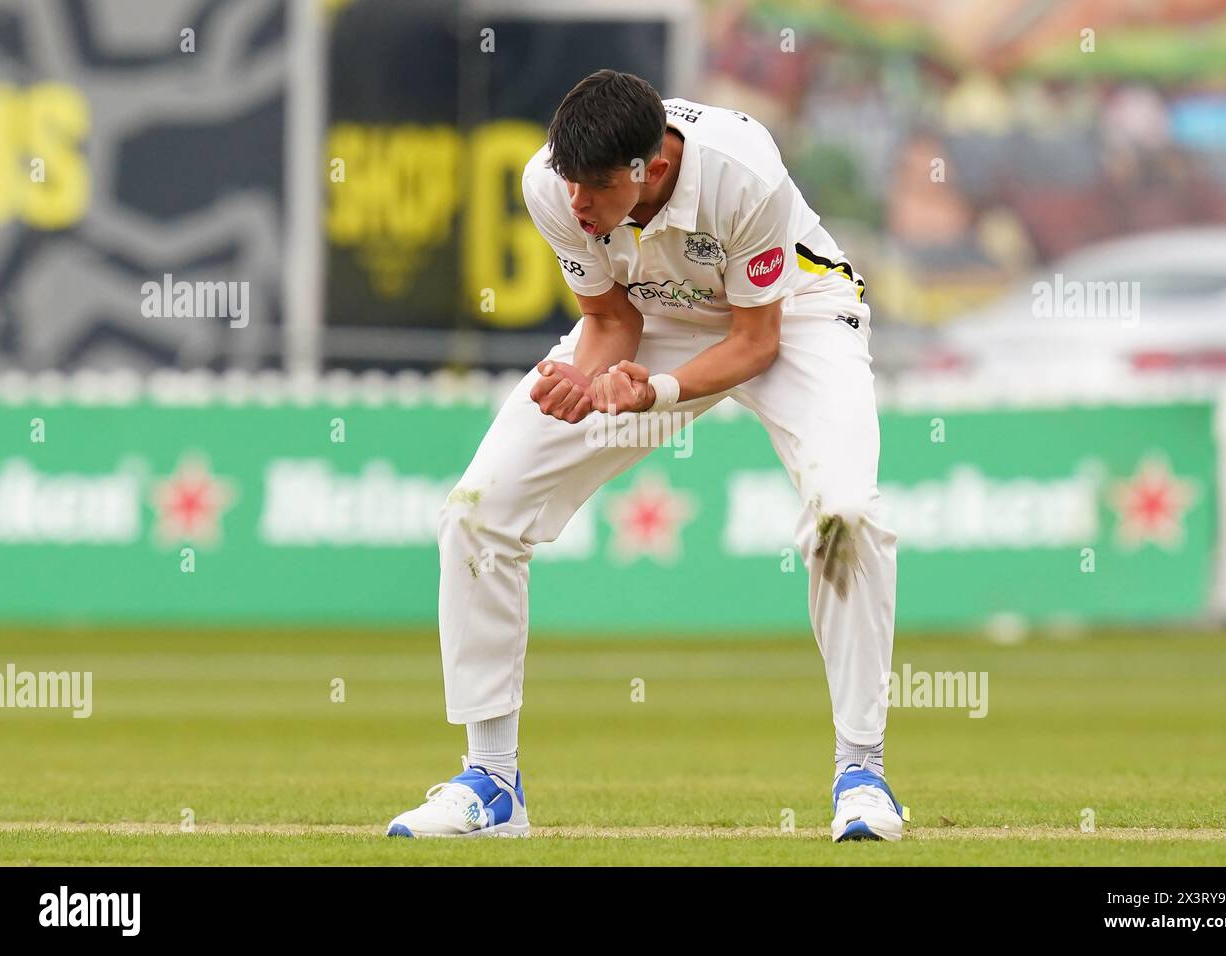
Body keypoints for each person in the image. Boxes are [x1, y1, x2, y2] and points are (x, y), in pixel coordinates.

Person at [387, 70, 904, 842]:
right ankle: (492, 784)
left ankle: (862, 774)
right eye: (569, 181)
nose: (577, 204)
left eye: (596, 187)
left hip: (795, 317)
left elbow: (755, 344)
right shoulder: (550, 182)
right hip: (656, 318)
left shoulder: (743, 171)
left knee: (844, 517)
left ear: (652, 170)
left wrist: (653, 394)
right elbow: (608, 318)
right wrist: (588, 378)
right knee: (478, 512)